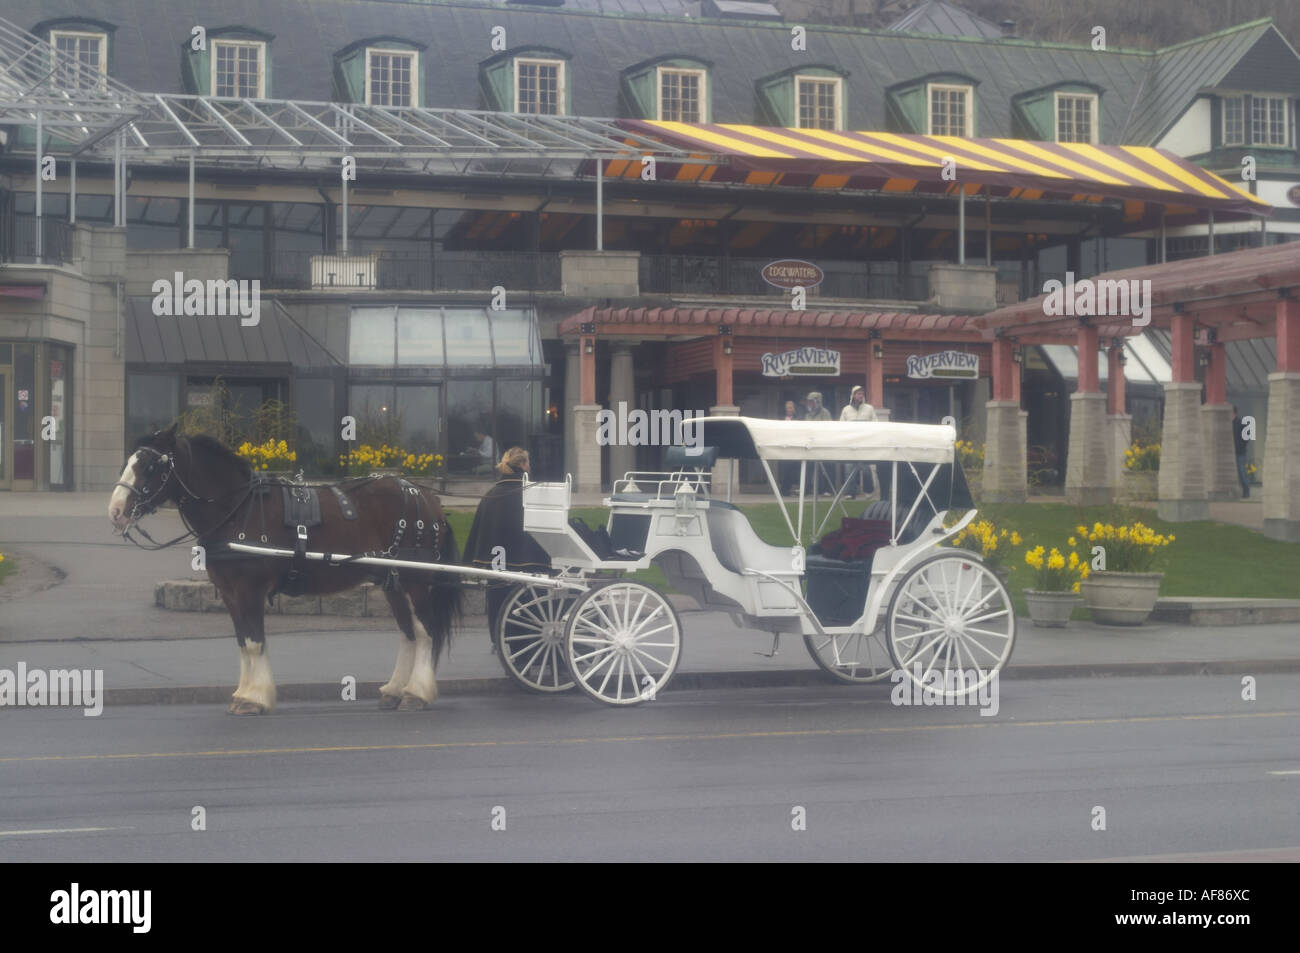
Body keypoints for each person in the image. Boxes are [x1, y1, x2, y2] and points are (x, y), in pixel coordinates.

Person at [462, 447, 552, 642]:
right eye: (527, 462)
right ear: (523, 465)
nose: (530, 466)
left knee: (497, 599)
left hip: (497, 564)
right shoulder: (531, 493)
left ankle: (499, 637)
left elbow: (481, 531)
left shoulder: (491, 494)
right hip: (527, 563)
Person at [838, 385, 877, 499]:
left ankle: (869, 491)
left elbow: (876, 424)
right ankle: (850, 493)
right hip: (850, 444)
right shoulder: (846, 409)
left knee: (866, 469)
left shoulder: (869, 408)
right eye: (858, 393)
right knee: (849, 469)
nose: (860, 395)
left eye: (862, 393)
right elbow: (841, 426)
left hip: (865, 444)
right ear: (853, 395)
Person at [778, 400, 799, 495]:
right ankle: (784, 489)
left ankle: (791, 488)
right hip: (783, 447)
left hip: (794, 447)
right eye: (787, 408)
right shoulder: (781, 419)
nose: (789, 409)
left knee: (793, 470)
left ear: (794, 409)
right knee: (784, 470)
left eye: (790, 407)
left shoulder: (798, 418)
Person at [1232, 405, 1250, 498]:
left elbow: (1246, 438)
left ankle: (1246, 491)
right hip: (1231, 453)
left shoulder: (1241, 423)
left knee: (1242, 471)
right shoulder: (1229, 423)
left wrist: (1241, 446)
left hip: (1240, 452)